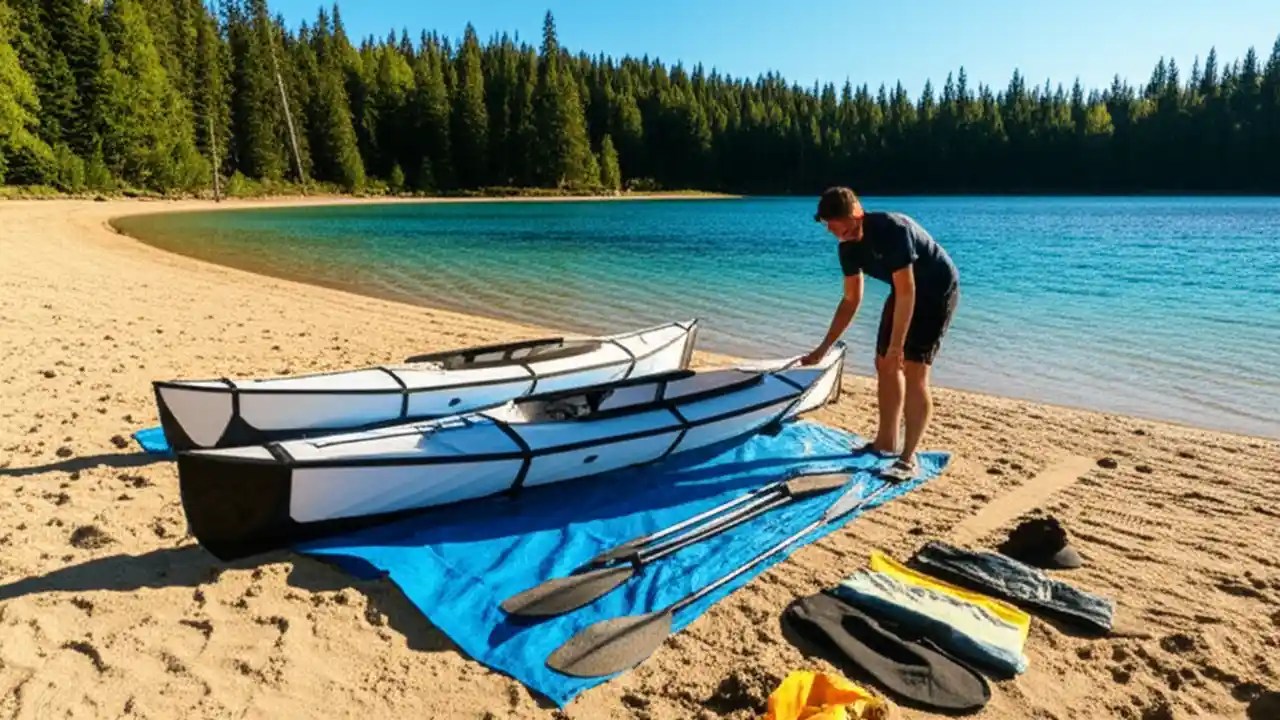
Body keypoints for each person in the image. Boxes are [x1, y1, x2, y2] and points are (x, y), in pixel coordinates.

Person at [801, 187, 960, 481]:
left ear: (857, 212)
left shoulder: (892, 230)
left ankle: (907, 458)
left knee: (914, 369)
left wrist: (898, 346)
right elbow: (851, 300)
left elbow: (908, 290)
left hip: (936, 290)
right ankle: (885, 441)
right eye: (831, 228)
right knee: (883, 364)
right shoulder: (847, 248)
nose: (838, 234)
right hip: (903, 293)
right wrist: (823, 348)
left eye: (841, 225)